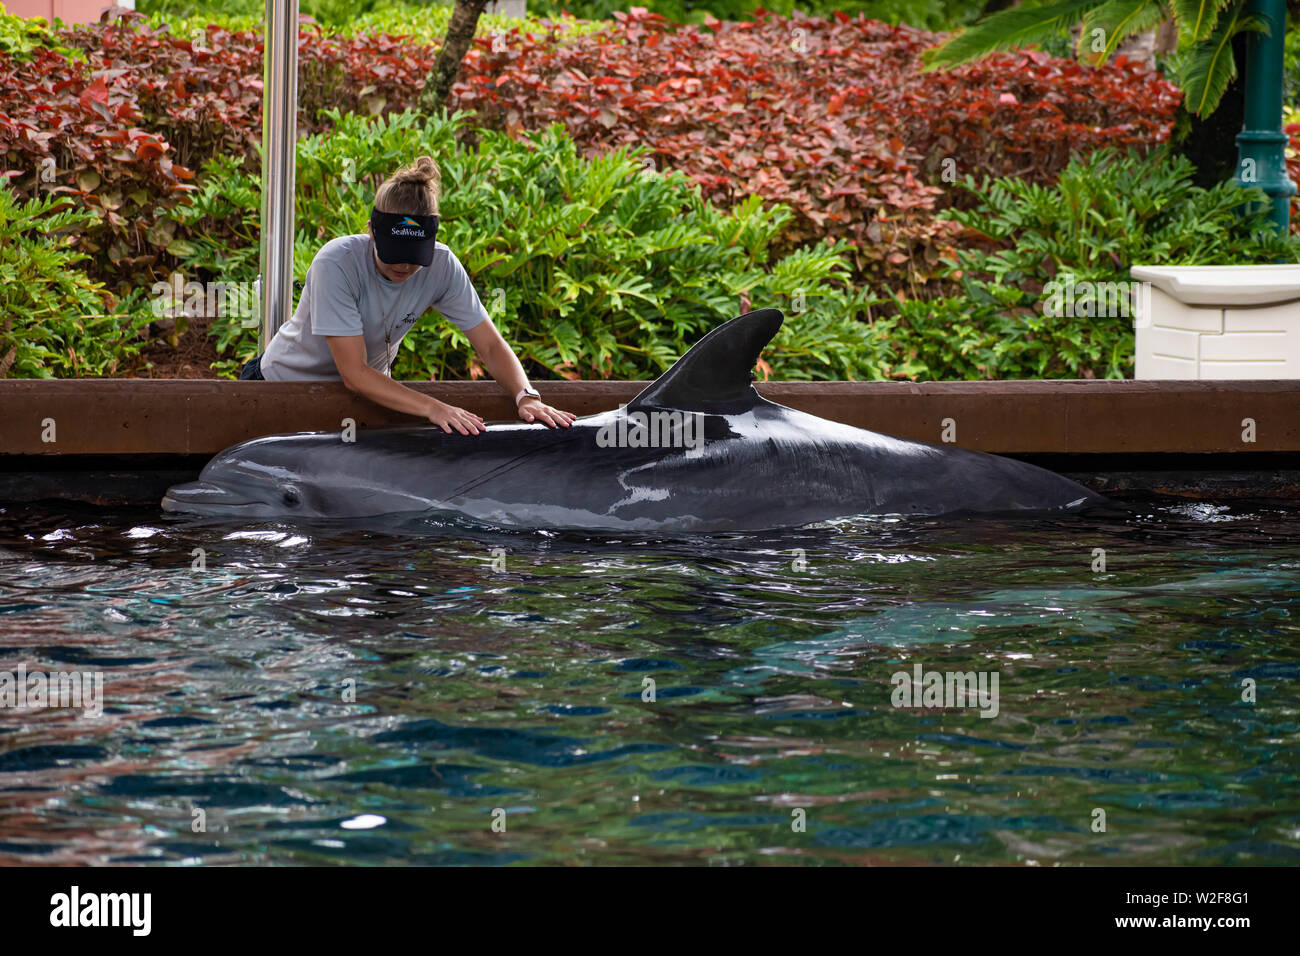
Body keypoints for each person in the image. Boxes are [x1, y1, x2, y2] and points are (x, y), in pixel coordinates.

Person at [238, 155, 575, 436]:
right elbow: (354, 373)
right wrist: (433, 407)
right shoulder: (336, 262)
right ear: (371, 231)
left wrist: (526, 395)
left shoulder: (442, 265)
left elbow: (488, 344)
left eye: (414, 255)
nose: (403, 264)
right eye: (394, 251)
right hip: (282, 388)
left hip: (366, 400)